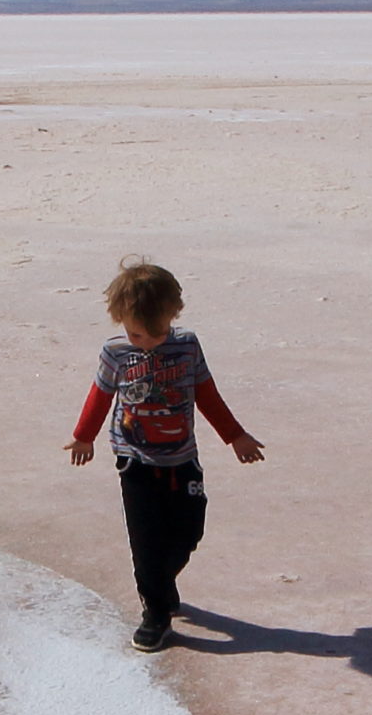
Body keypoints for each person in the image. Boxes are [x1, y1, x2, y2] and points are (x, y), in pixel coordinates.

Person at [64, 256, 262, 650]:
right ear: (120, 319)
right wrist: (84, 436)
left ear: (174, 314)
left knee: (189, 530)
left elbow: (206, 393)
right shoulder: (116, 352)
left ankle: (161, 581)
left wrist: (235, 436)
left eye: (155, 334)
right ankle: (155, 612)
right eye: (137, 334)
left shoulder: (186, 346)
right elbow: (100, 394)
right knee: (146, 541)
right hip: (134, 461)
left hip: (182, 458)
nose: (146, 343)